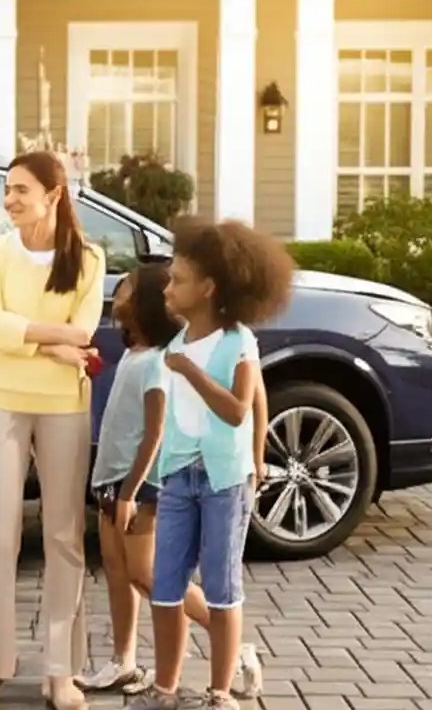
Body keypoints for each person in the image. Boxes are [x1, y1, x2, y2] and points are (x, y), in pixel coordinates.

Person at [0, 151, 106, 710]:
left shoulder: (89, 258)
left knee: (65, 538)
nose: (9, 199)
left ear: (54, 195)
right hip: (1, 403)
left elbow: (84, 332)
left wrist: (35, 338)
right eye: (7, 189)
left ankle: (61, 672)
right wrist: (51, 341)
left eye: (21, 189)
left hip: (67, 406)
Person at [130, 220, 294, 710]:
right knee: (165, 584)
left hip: (224, 478)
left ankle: (220, 692)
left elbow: (239, 409)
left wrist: (192, 373)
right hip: (178, 476)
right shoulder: (175, 346)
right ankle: (165, 687)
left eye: (178, 279)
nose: (168, 286)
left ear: (208, 288)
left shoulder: (236, 342)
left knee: (222, 586)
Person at [81, 265, 263, 698]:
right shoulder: (135, 352)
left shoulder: (167, 360)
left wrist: (130, 490)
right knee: (118, 571)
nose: (116, 291)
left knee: (149, 575)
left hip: (140, 485)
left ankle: (234, 649)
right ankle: (124, 661)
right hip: (110, 479)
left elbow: (157, 430)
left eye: (124, 286)